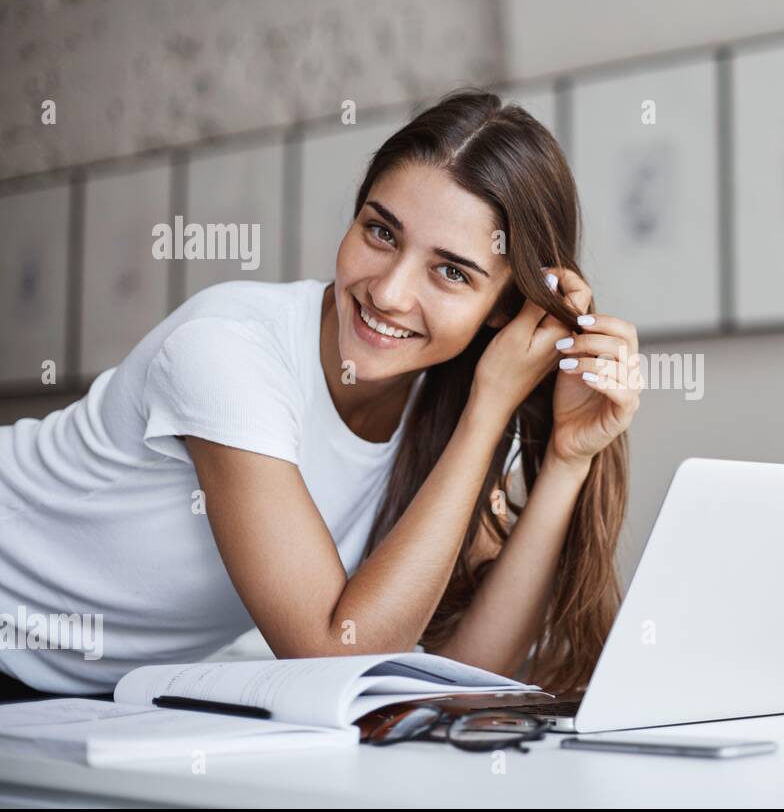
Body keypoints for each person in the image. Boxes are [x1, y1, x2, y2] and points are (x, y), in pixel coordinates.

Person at [0, 88, 643, 700]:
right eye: (381, 232)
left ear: (508, 307)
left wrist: (565, 461)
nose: (389, 292)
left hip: (72, 690)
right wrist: (488, 413)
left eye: (450, 271)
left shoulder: (451, 411)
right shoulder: (227, 350)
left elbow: (462, 672)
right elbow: (334, 658)